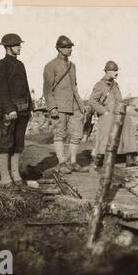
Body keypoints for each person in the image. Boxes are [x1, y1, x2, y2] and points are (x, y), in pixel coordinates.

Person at [0, 33, 39, 188]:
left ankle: (16, 175)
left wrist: (30, 107)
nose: (20, 47)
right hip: (10, 111)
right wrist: (9, 108)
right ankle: (5, 179)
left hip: (23, 111)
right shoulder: (1, 65)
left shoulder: (20, 65)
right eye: (17, 45)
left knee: (18, 143)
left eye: (20, 44)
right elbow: (1, 89)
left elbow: (25, 88)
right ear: (7, 47)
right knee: (6, 143)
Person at [42, 35, 85, 173]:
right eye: (67, 47)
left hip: (74, 105)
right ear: (59, 49)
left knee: (77, 134)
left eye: (70, 47)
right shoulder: (50, 66)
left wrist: (81, 104)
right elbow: (47, 89)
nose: (70, 49)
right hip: (59, 106)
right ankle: (61, 163)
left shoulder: (73, 66)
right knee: (59, 134)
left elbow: (74, 86)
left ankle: (72, 162)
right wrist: (52, 107)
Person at [87, 61, 138, 170]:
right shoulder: (99, 85)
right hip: (107, 114)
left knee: (128, 124)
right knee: (106, 132)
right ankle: (99, 158)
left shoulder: (115, 84)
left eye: (117, 70)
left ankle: (130, 157)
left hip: (117, 112)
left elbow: (119, 100)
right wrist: (103, 111)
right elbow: (92, 101)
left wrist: (128, 108)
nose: (117, 72)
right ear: (107, 71)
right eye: (114, 70)